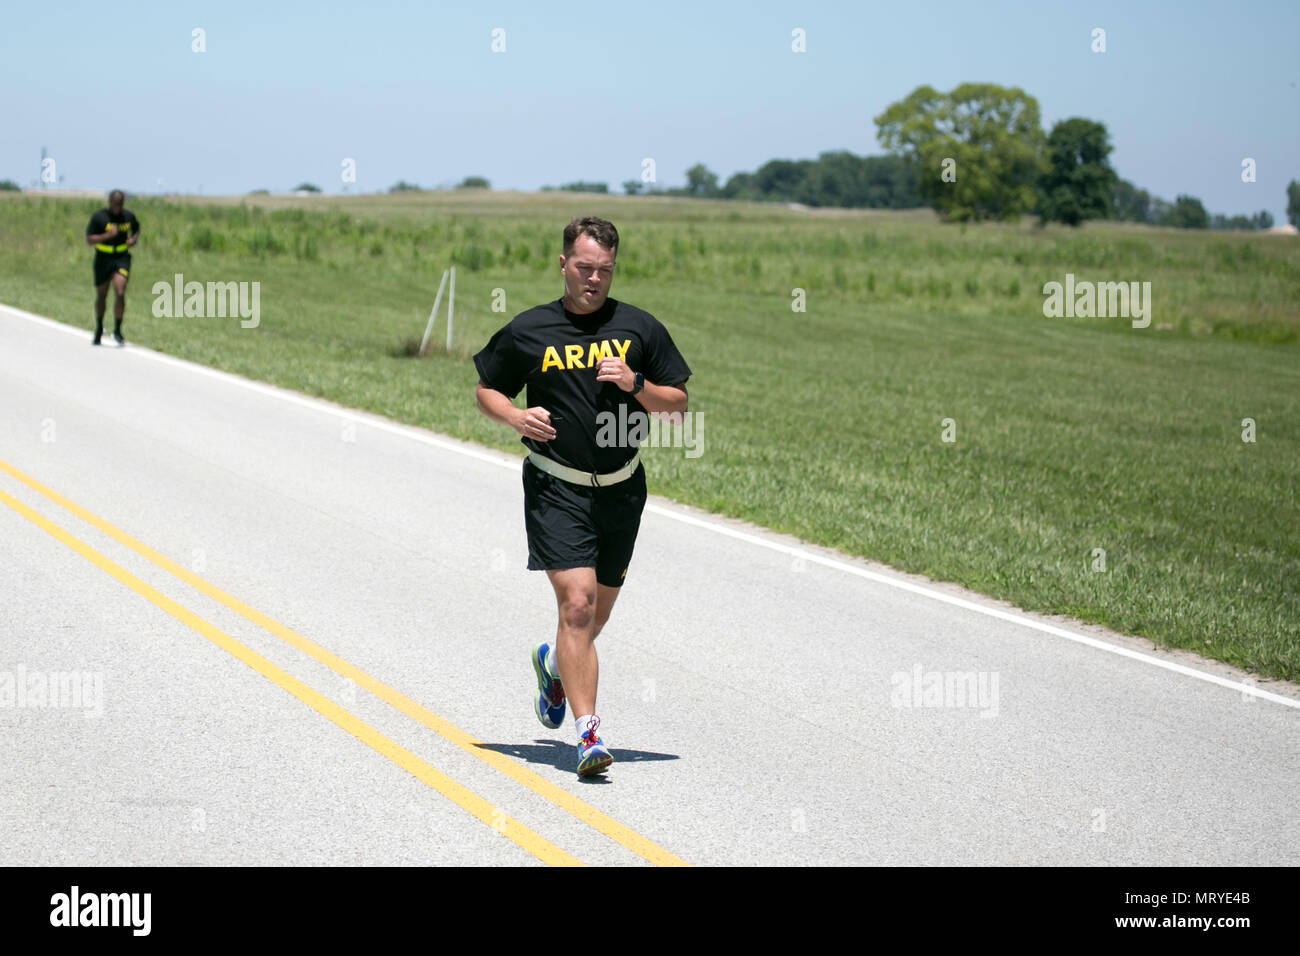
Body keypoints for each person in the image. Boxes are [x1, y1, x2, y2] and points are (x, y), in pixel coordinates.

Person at [473, 216, 691, 776]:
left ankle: (553, 671)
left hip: (621, 490)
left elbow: (677, 404)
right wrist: (516, 415)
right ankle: (588, 736)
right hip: (555, 485)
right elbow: (486, 389)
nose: (594, 279)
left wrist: (635, 384)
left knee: (592, 620)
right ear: (563, 263)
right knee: (577, 605)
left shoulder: (641, 329)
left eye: (605, 271)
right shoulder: (530, 330)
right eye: (585, 267)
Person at [85, 189, 140, 346]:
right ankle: (99, 327)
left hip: (121, 258)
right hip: (103, 259)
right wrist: (106, 236)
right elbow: (89, 239)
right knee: (102, 295)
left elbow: (136, 229)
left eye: (121, 204)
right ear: (110, 202)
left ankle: (117, 330)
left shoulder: (128, 216)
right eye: (116, 204)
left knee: (120, 292)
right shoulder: (99, 217)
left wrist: (133, 240)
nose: (118, 207)